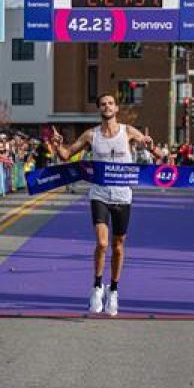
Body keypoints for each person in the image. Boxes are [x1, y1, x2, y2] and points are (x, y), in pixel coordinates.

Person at [50, 93, 163, 317]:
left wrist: (151, 147)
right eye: (103, 104)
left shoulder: (128, 131)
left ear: (116, 108)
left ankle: (114, 289)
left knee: (118, 245)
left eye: (110, 103)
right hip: (99, 193)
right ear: (99, 109)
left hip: (122, 195)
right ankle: (97, 286)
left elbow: (157, 155)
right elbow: (66, 155)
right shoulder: (91, 135)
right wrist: (57, 145)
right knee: (102, 243)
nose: (107, 106)